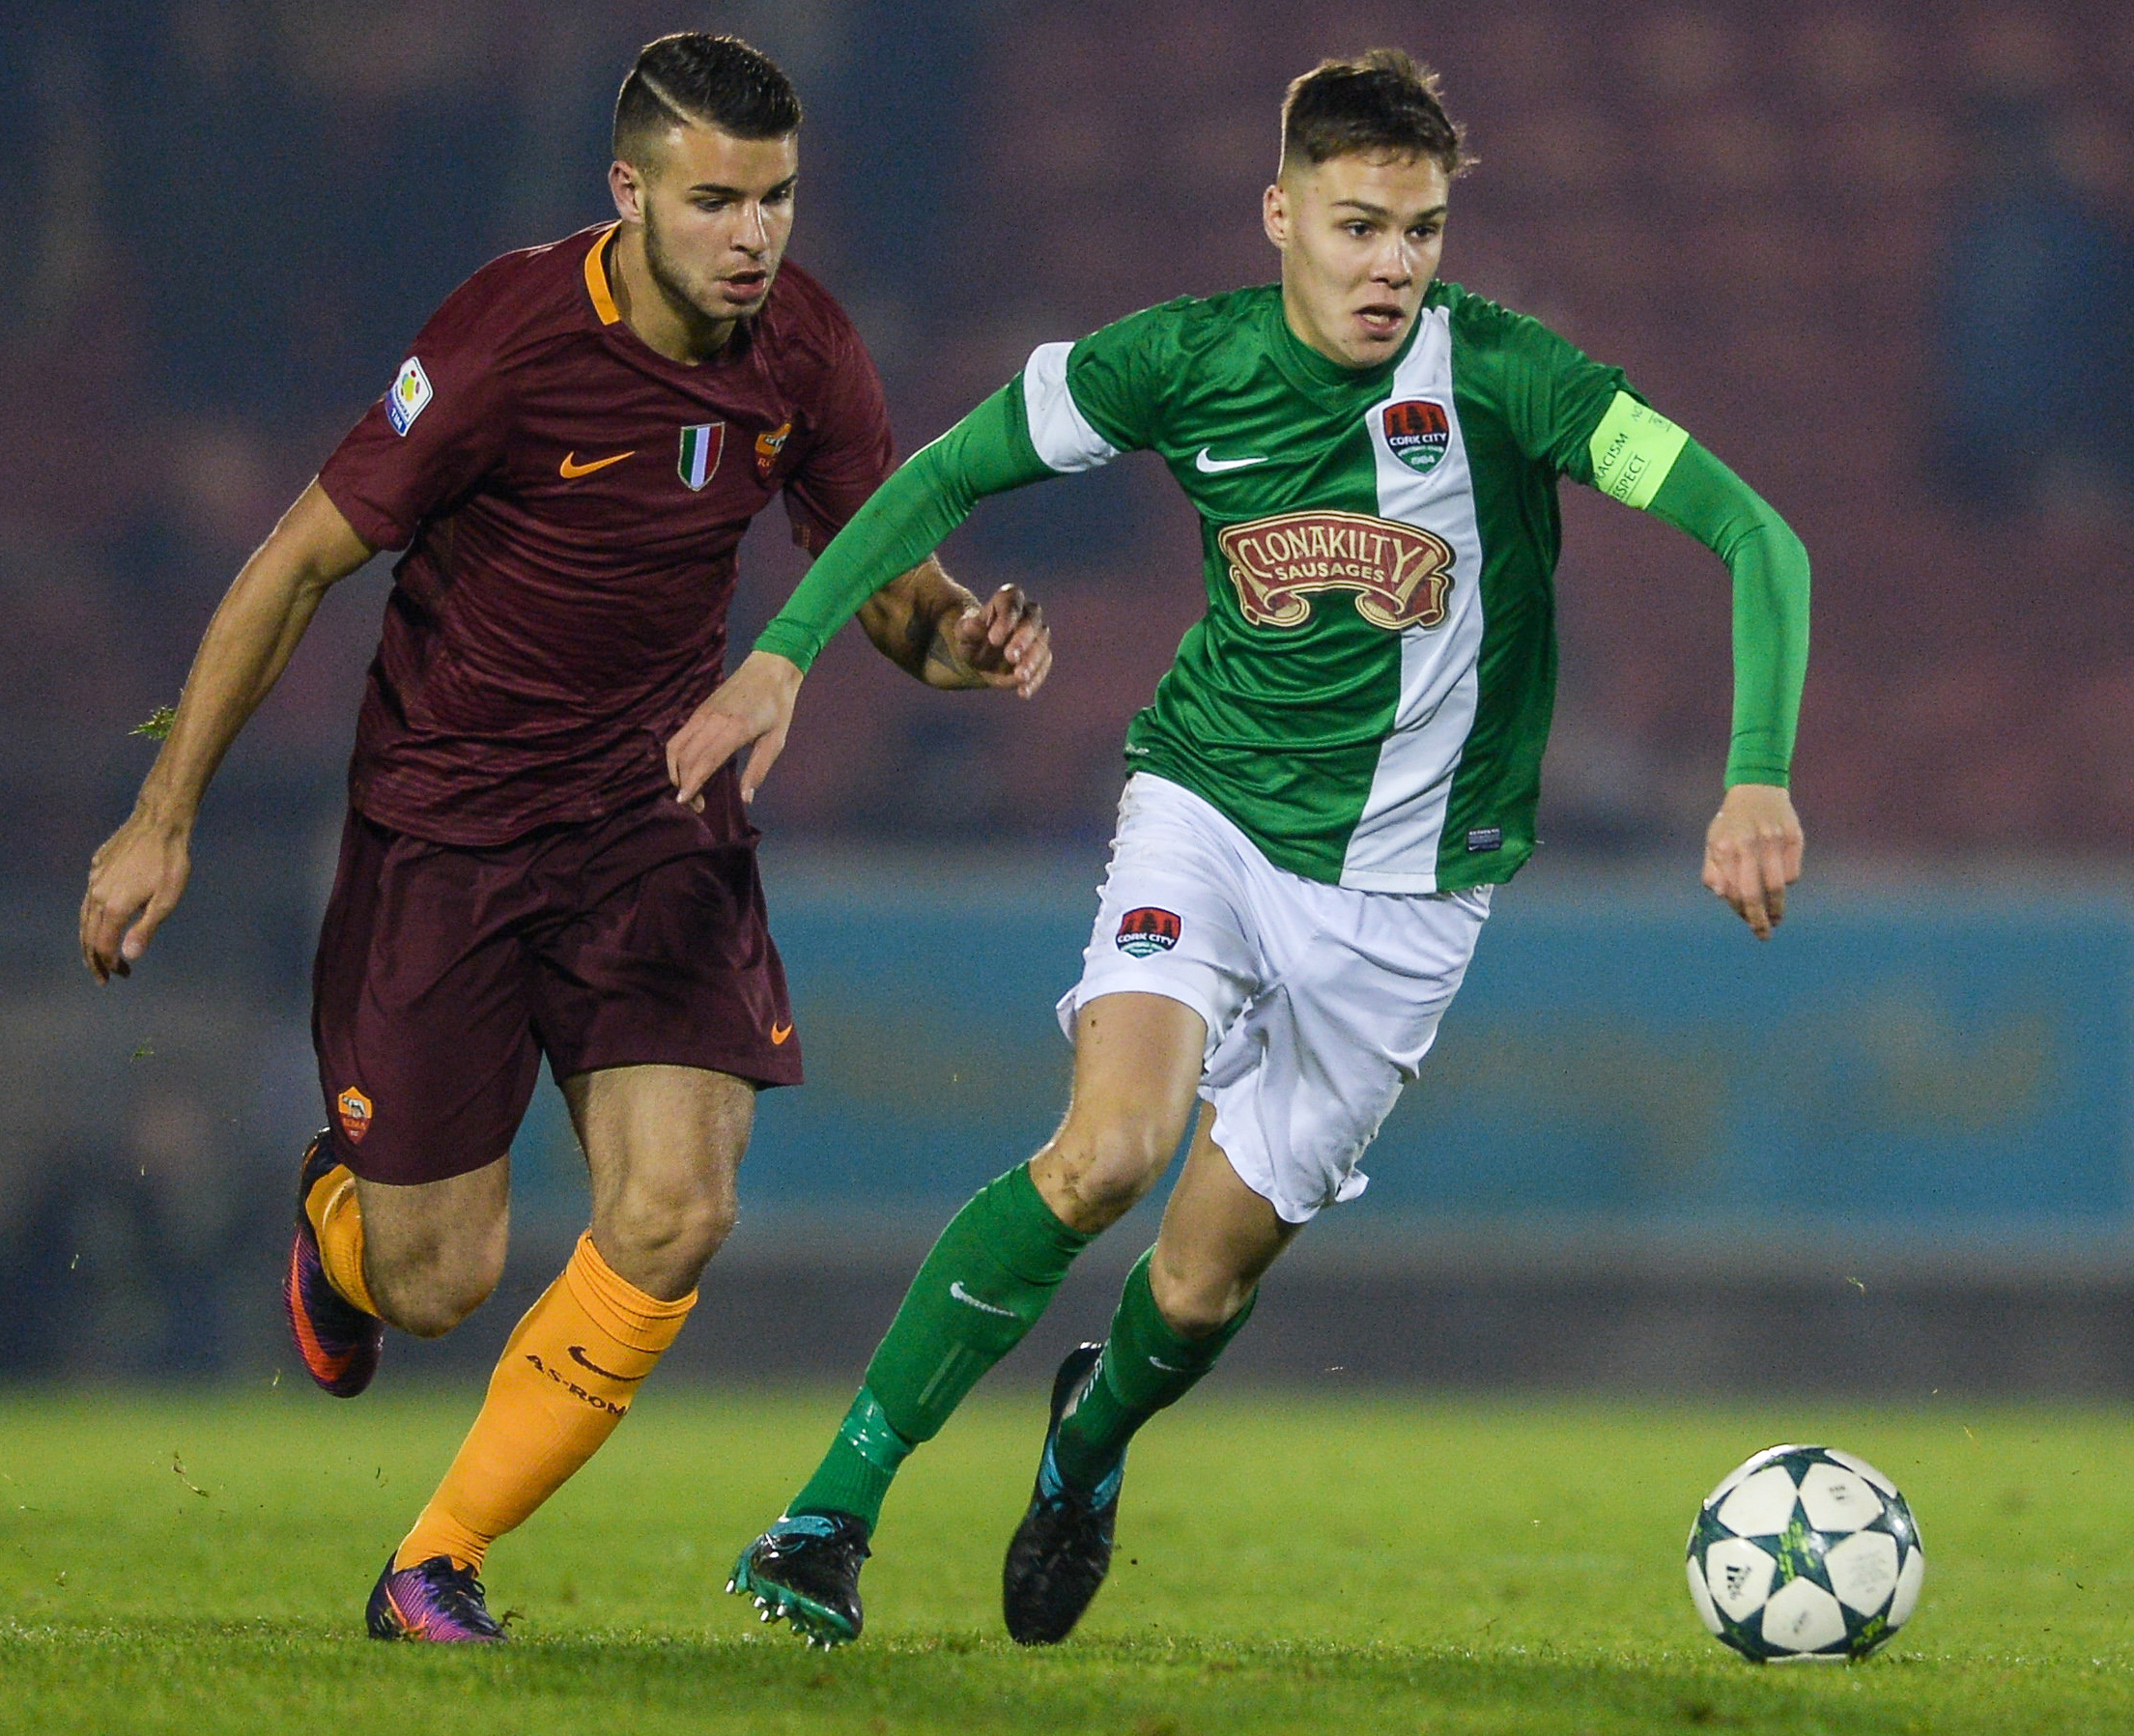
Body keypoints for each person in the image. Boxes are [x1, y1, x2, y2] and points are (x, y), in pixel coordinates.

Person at [670, 49, 1809, 1648]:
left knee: (1199, 1283)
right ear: (1279, 215)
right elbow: (942, 471)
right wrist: (788, 651)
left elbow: (1757, 535)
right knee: (1105, 1153)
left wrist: (1754, 776)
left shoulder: (1507, 377)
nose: (1392, 264)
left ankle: (1084, 1446)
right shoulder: (1176, 359)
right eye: (1357, 226)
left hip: (1410, 899)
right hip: (1204, 813)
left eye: (1419, 230)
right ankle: (827, 1511)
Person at [77, 32, 1049, 1643]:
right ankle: (338, 1223)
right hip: (445, 832)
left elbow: (885, 584)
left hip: (654, 822)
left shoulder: (805, 348)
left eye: (777, 198)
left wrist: (957, 640)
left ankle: (434, 1558)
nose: (754, 235)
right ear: (629, 192)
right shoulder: (504, 337)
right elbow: (293, 565)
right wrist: (158, 816)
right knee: (437, 1280)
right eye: (716, 200)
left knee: (676, 1204)